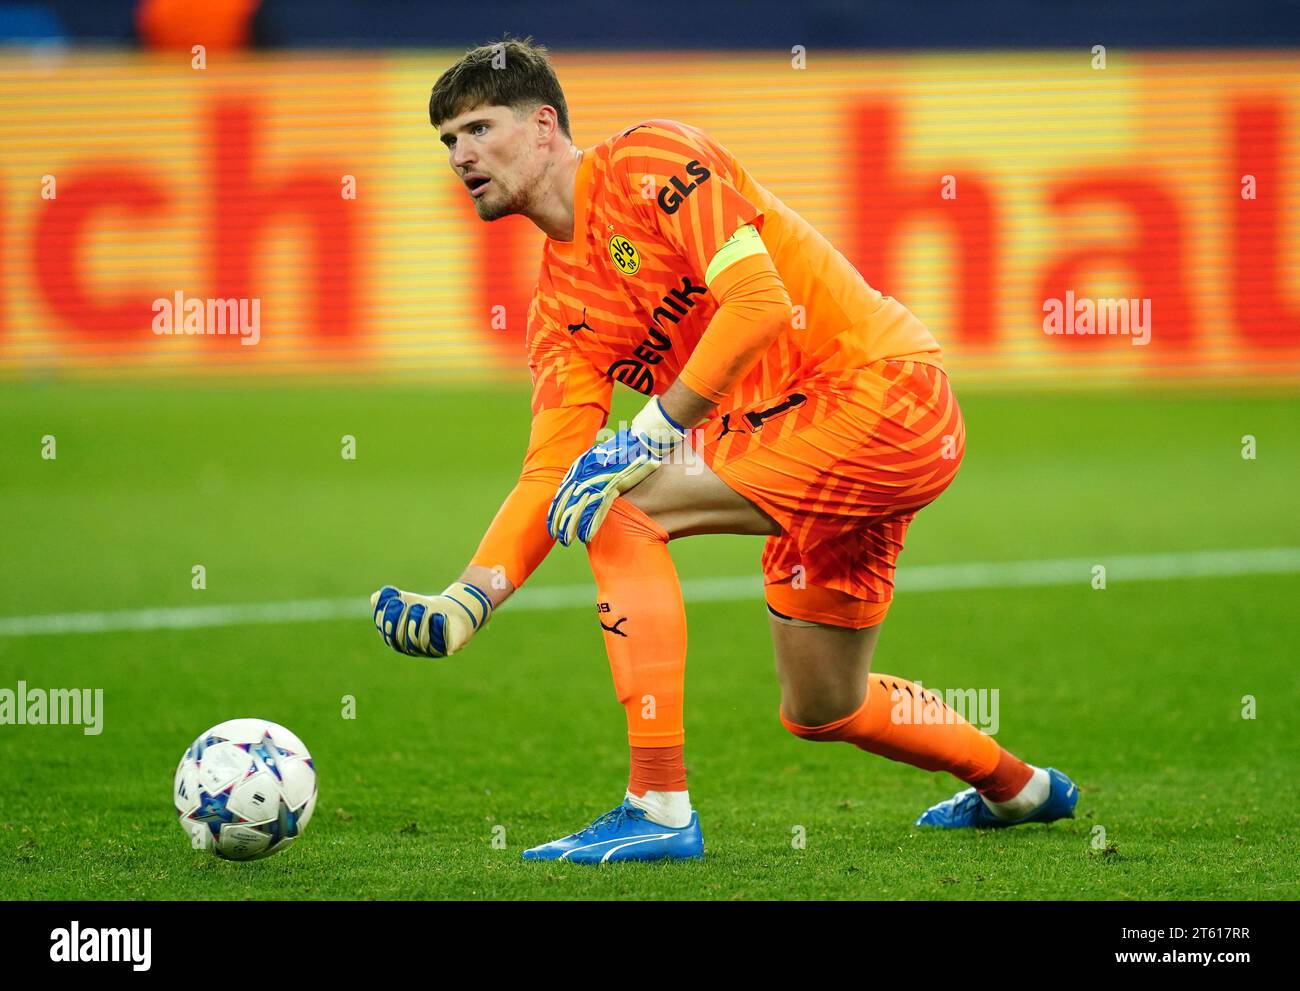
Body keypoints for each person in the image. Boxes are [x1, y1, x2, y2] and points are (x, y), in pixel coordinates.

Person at [371, 37, 1077, 863]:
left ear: (542, 124)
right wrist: (470, 597)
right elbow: (548, 473)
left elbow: (758, 302)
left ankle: (658, 804)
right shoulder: (561, 308)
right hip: (799, 441)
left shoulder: (651, 161)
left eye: (477, 129)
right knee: (823, 704)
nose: (461, 155)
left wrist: (650, 431)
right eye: (447, 141)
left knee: (619, 509)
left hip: (880, 395)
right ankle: (1020, 788)